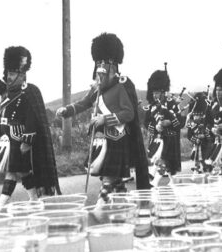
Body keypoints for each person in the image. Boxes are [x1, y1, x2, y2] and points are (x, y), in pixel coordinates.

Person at [56, 33, 151, 198]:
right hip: (101, 137)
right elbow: (84, 103)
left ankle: (102, 204)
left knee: (108, 179)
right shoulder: (96, 87)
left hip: (117, 137)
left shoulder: (122, 84)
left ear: (113, 64)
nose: (100, 66)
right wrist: (67, 110)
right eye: (98, 62)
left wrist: (104, 119)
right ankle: (122, 202)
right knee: (112, 178)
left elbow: (129, 113)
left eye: (103, 62)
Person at [0, 45, 60, 206]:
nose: (8, 77)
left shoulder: (29, 92)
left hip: (19, 138)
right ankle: (34, 199)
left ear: (22, 75)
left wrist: (27, 141)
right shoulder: (5, 90)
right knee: (20, 170)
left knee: (14, 170)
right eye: (8, 73)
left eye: (13, 74)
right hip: (7, 139)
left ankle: (3, 202)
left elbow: (32, 118)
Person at [145, 67, 182, 185]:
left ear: (163, 92)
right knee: (159, 160)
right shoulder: (152, 106)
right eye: (153, 92)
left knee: (164, 160)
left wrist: (169, 122)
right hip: (157, 138)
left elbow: (180, 122)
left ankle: (155, 182)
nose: (154, 95)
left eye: (157, 92)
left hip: (170, 138)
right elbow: (146, 122)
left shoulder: (172, 104)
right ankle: (173, 180)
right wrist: (155, 127)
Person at [184, 92, 214, 174]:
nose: (197, 117)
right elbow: (189, 134)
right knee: (197, 154)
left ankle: (204, 167)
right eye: (196, 115)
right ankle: (199, 167)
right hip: (197, 139)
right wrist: (195, 139)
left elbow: (211, 124)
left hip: (206, 140)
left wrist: (205, 133)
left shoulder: (207, 115)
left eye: (199, 115)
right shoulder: (191, 121)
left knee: (204, 155)